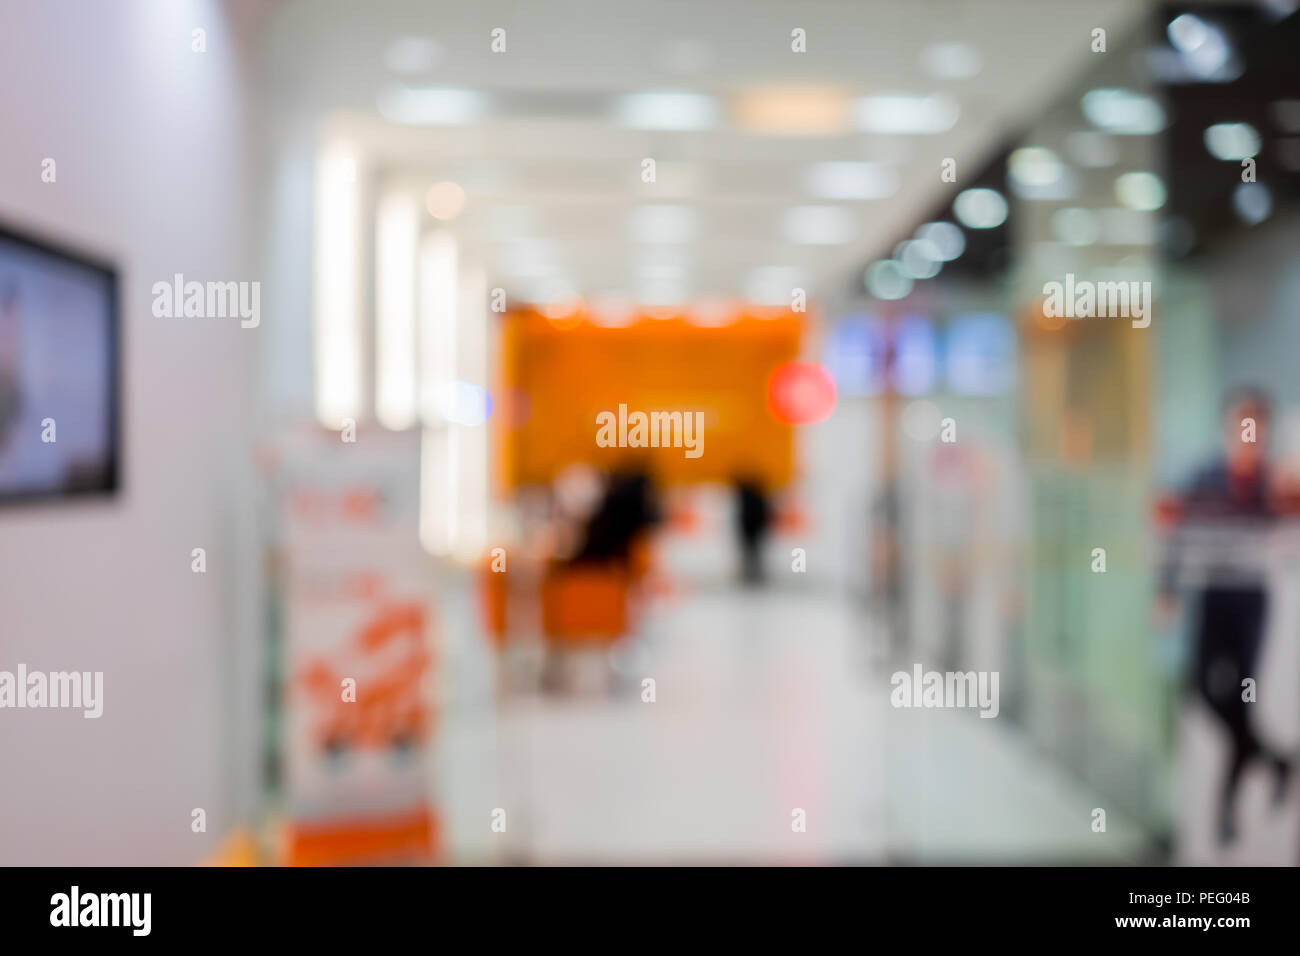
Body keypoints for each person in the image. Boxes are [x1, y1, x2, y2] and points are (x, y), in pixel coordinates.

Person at [1160, 386, 1293, 844]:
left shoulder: (1273, 486)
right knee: (1205, 693)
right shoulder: (1204, 478)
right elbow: (1177, 535)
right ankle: (1273, 758)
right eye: (1242, 425)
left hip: (1250, 609)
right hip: (1212, 603)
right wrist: (1166, 590)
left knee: (1241, 701)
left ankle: (1224, 812)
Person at [733, 475, 771, 585]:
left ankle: (752, 573)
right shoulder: (755, 491)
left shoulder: (755, 492)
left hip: (752, 525)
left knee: (752, 547)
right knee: (752, 547)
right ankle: (751, 573)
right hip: (750, 525)